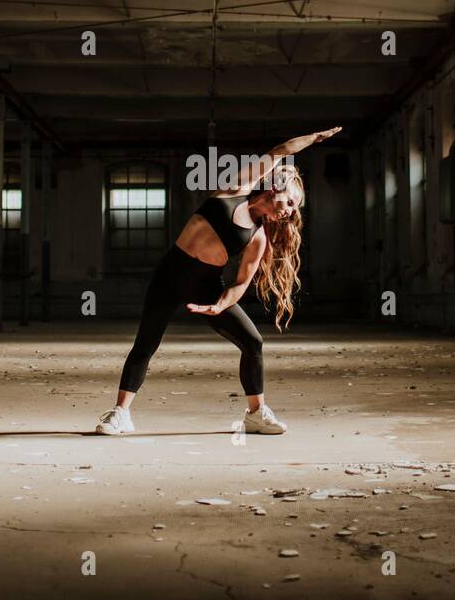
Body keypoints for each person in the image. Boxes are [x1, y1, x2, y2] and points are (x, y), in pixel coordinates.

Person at [94, 127, 342, 436]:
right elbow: (280, 150)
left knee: (253, 342)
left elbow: (240, 283)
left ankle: (256, 413)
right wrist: (313, 139)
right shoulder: (236, 188)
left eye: (295, 210)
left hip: (206, 287)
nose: (290, 213)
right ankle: (120, 414)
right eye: (291, 203)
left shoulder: (258, 238)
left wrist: (219, 304)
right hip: (169, 276)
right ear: (276, 187)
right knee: (145, 344)